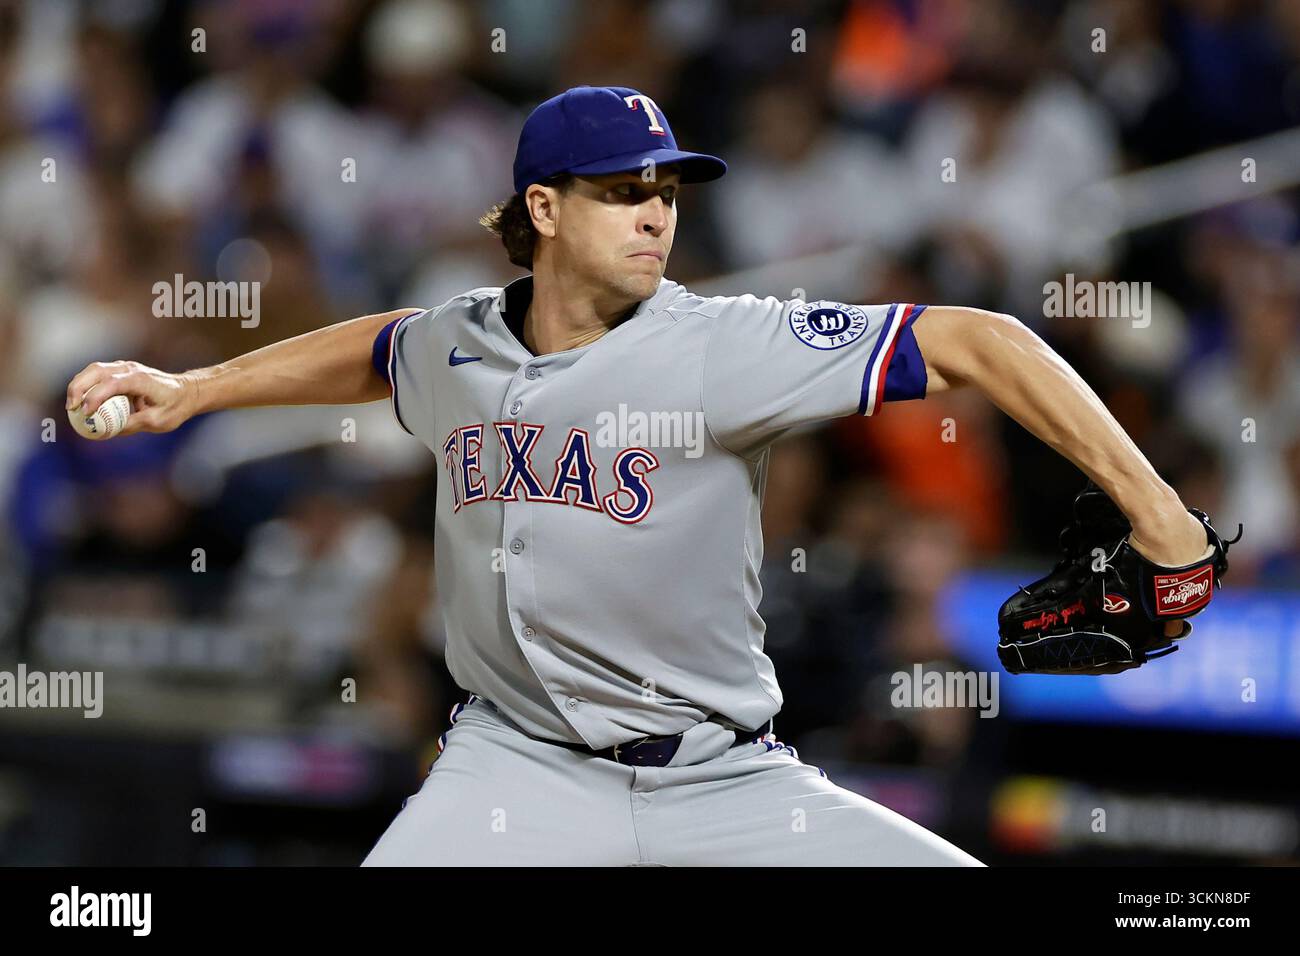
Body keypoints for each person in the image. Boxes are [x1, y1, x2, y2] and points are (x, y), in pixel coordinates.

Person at [65, 86, 1210, 866]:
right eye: (622, 189)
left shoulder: (724, 343)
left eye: (665, 186)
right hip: (512, 765)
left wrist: (1157, 515)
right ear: (544, 210)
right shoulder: (458, 343)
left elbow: (982, 340)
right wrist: (200, 385)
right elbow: (380, 348)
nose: (656, 208)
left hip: (725, 779)